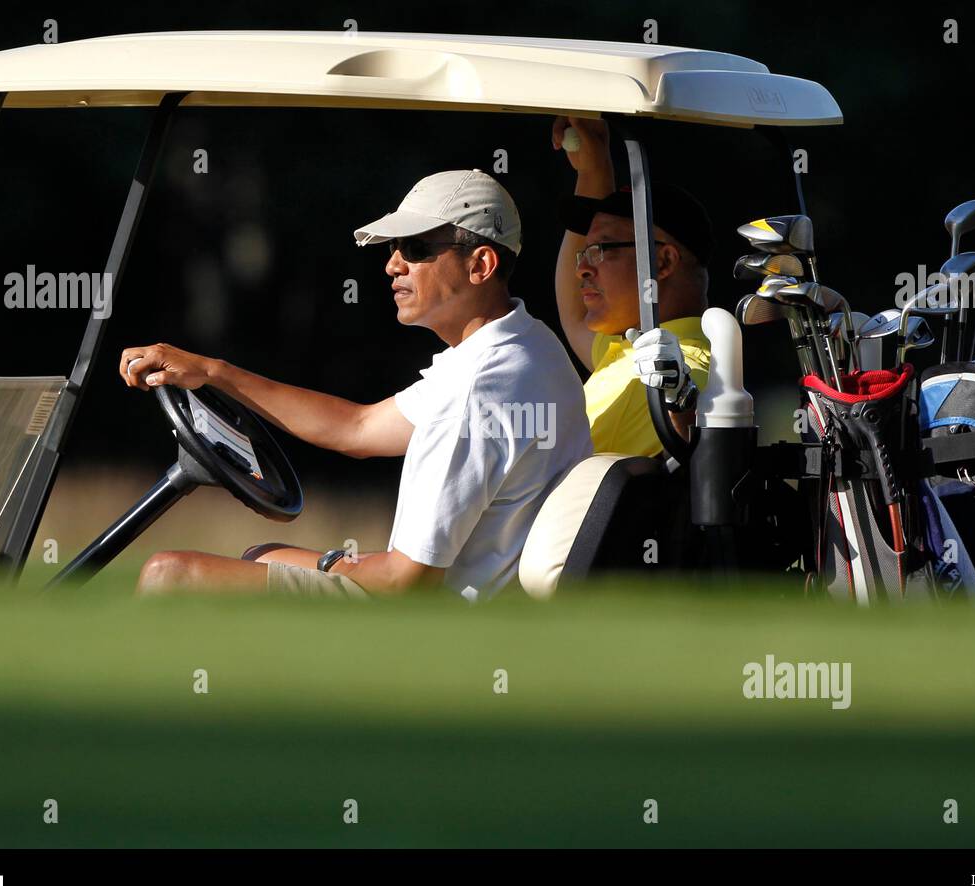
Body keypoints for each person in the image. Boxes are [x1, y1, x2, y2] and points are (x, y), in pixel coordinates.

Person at [122, 170, 591, 600]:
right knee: (261, 556)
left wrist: (334, 563)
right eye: (393, 249)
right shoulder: (526, 345)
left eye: (415, 248)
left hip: (439, 635)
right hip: (476, 614)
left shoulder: (474, 391)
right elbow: (358, 428)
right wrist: (214, 372)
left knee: (170, 575)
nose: (392, 266)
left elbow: (405, 580)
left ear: (481, 265)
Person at [550, 117, 715, 456]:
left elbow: (694, 440)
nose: (581, 268)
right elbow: (575, 313)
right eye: (584, 253)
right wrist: (594, 171)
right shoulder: (637, 351)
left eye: (600, 251)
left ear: (664, 263)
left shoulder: (675, 373)